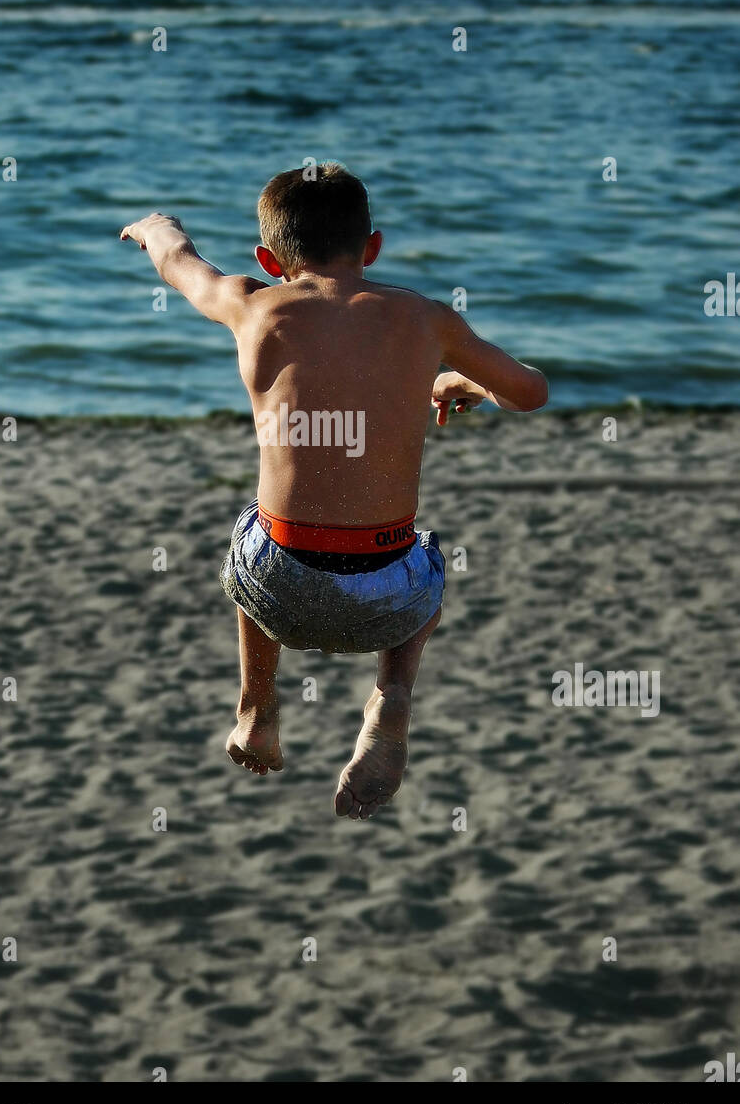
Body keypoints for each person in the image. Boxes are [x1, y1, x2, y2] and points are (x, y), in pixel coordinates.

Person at [120, 164, 547, 820]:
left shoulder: (250, 303)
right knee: (429, 555)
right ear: (372, 248)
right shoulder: (425, 319)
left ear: (267, 259)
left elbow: (180, 263)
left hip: (280, 589)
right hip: (391, 599)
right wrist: (466, 381)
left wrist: (157, 228)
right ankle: (391, 695)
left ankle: (257, 706)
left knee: (252, 528)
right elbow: (530, 392)